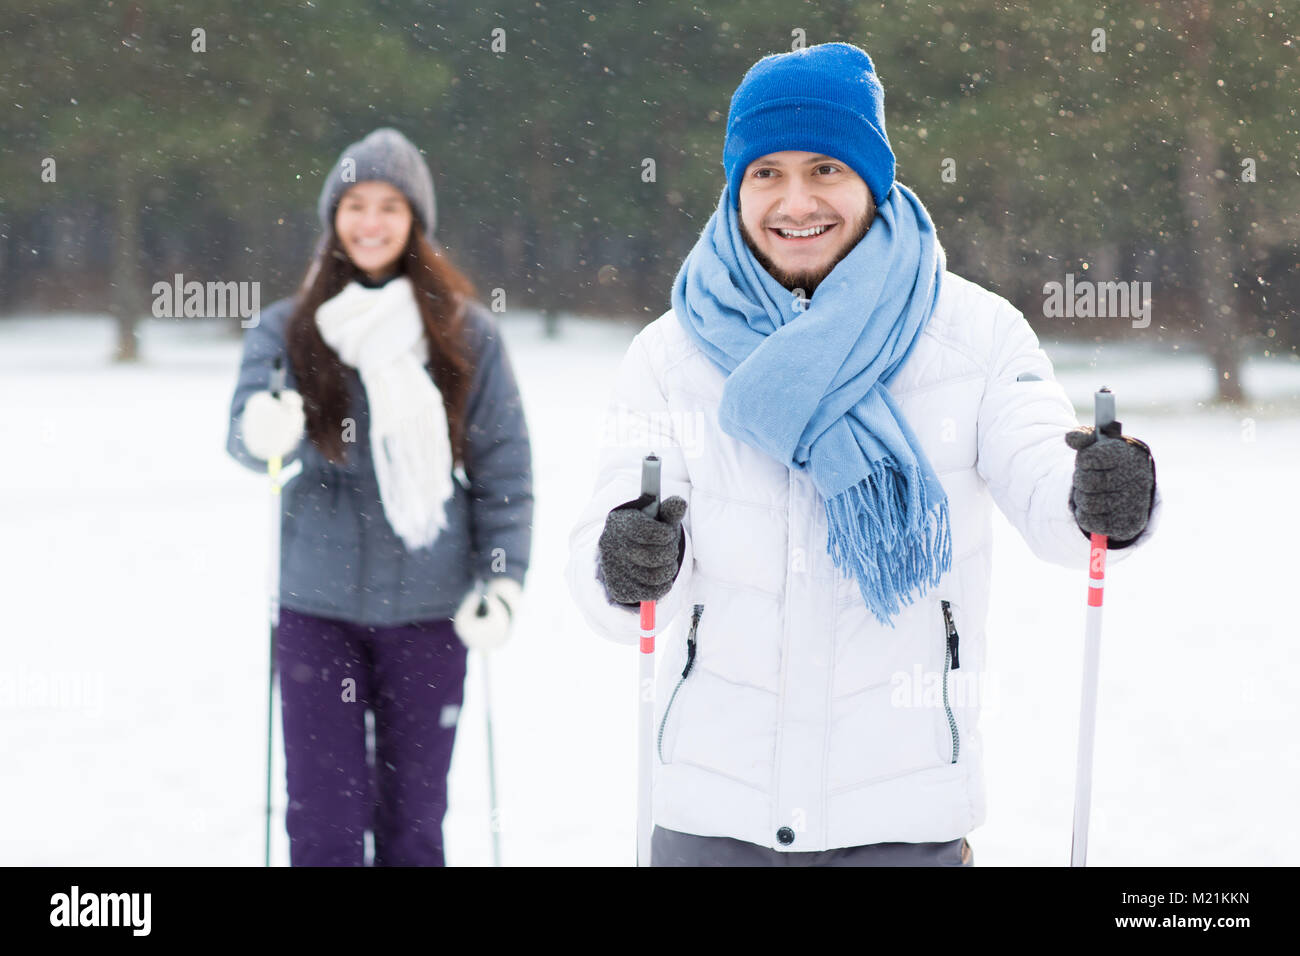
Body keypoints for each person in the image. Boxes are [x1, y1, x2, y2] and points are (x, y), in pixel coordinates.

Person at [564, 44, 1160, 867]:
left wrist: (1102, 495)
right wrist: (624, 561)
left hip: (902, 815)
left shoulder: (974, 335)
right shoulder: (673, 355)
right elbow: (612, 558)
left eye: (826, 169)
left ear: (873, 180)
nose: (795, 199)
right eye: (765, 171)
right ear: (736, 185)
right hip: (713, 812)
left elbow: (1046, 478)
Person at [226, 128, 533, 866]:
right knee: (324, 825)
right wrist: (266, 431)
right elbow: (245, 443)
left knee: (414, 826)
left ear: (415, 221)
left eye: (389, 206)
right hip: (315, 611)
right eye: (356, 204)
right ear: (333, 217)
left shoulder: (464, 334)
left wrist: (503, 579)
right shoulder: (288, 329)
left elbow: (504, 471)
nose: (371, 221)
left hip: (433, 611)